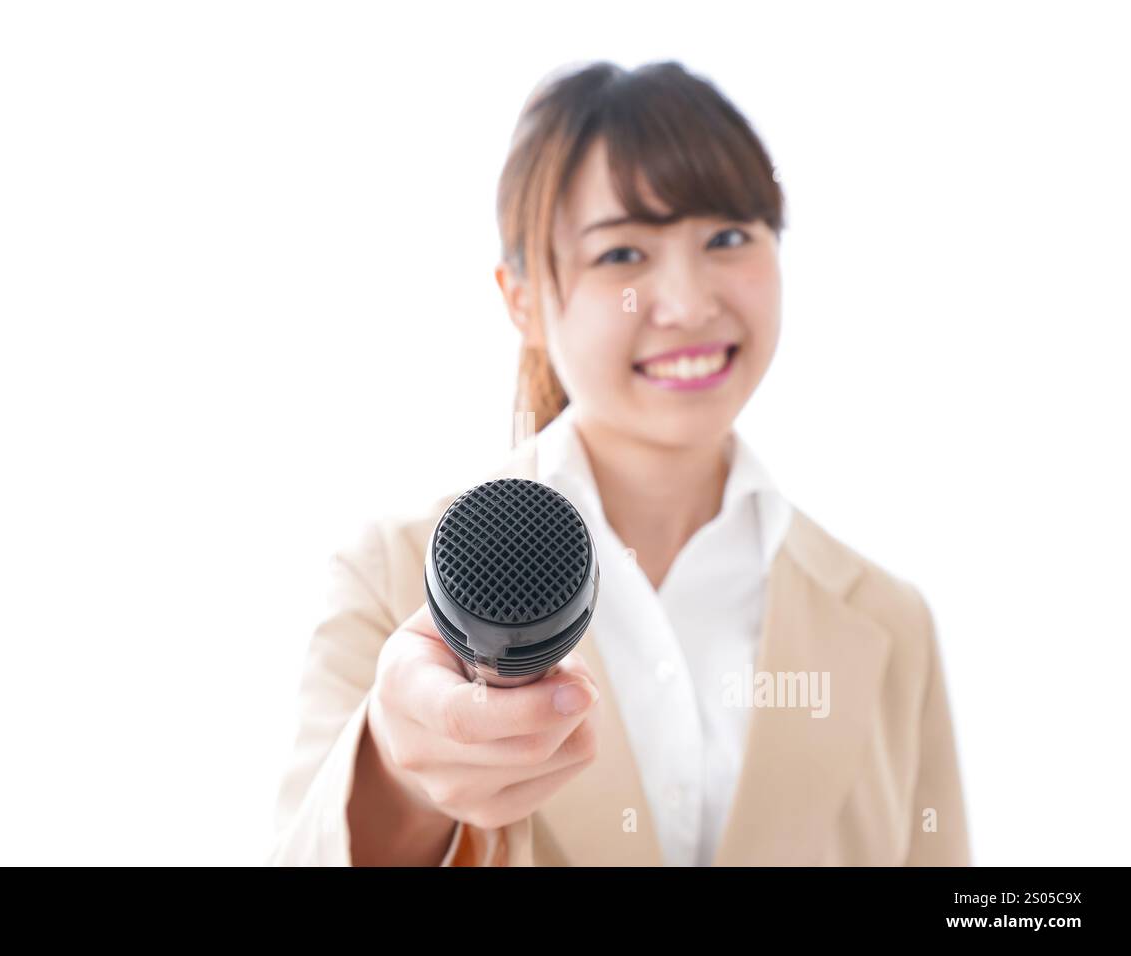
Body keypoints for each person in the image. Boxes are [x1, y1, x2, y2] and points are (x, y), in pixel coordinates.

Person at [267, 59, 971, 866]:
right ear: (521, 299)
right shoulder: (389, 570)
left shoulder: (891, 622)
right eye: (622, 256)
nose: (687, 303)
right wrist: (403, 772)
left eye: (728, 237)